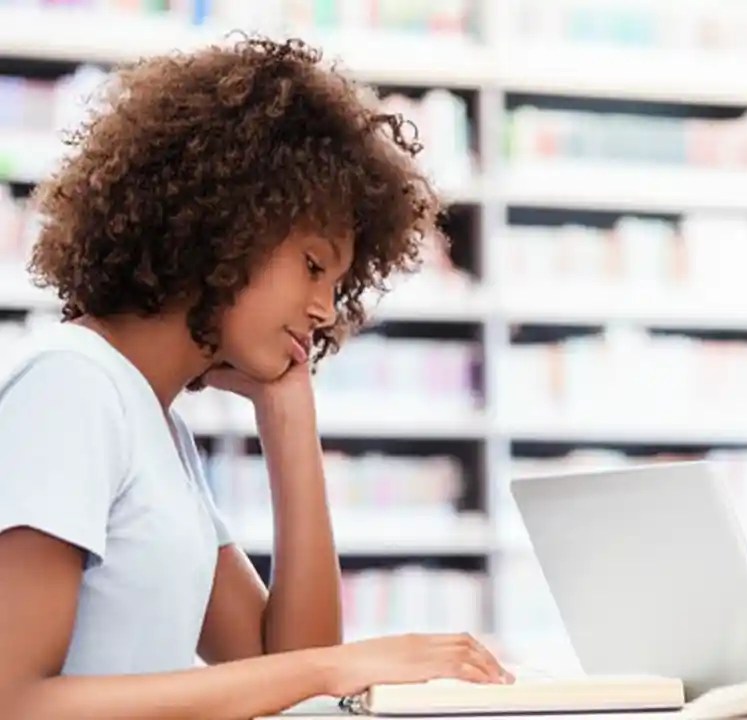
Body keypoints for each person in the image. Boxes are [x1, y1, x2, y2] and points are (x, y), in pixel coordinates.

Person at [0, 37, 512, 719]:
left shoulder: (158, 427)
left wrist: (288, 413)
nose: (325, 310)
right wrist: (339, 666)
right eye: (311, 266)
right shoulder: (72, 384)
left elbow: (283, 673)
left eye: (337, 285)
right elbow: (13, 701)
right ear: (225, 226)